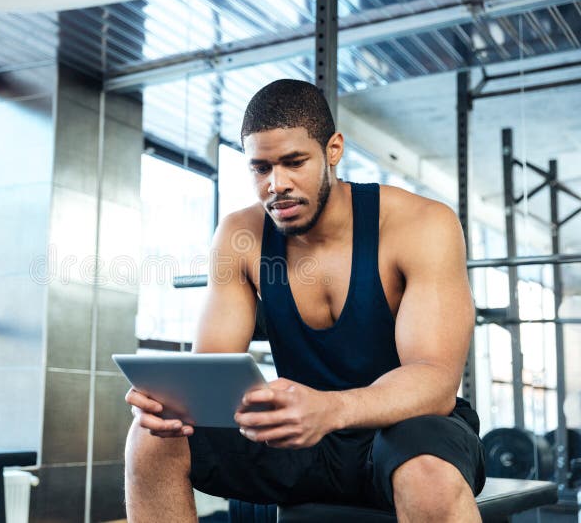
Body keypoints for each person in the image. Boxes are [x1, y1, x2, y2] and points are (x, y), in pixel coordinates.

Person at [124, 79, 485, 522]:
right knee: (152, 436)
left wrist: (331, 409)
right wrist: (176, 401)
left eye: (294, 162)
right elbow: (212, 375)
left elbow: (436, 380)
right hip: (300, 435)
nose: (277, 184)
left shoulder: (421, 224)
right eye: (260, 168)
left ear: (333, 149)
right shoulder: (240, 237)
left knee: (427, 474)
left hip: (407, 431)